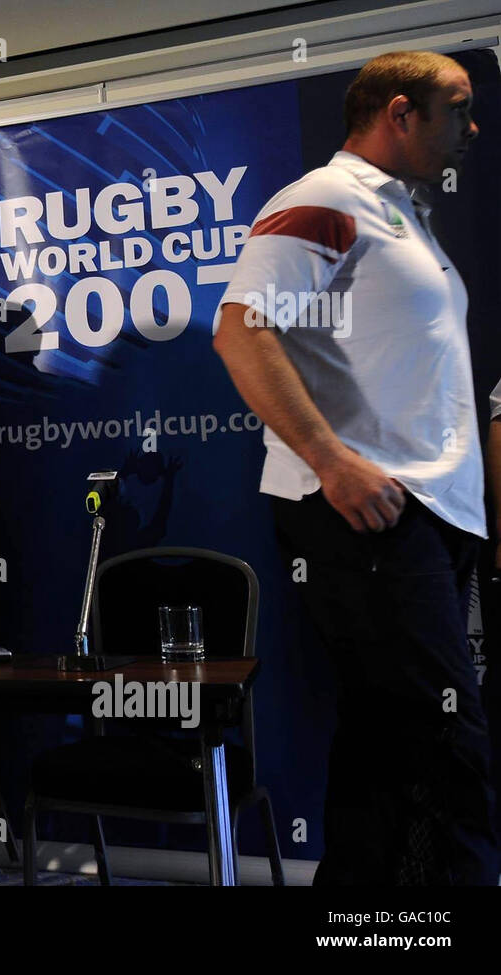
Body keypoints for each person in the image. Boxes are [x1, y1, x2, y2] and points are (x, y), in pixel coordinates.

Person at [214, 51, 497, 884]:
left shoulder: (403, 214)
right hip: (370, 515)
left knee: (389, 743)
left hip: (430, 515)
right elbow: (240, 330)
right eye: (459, 109)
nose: (472, 129)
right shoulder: (325, 199)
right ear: (400, 113)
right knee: (447, 741)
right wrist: (333, 461)